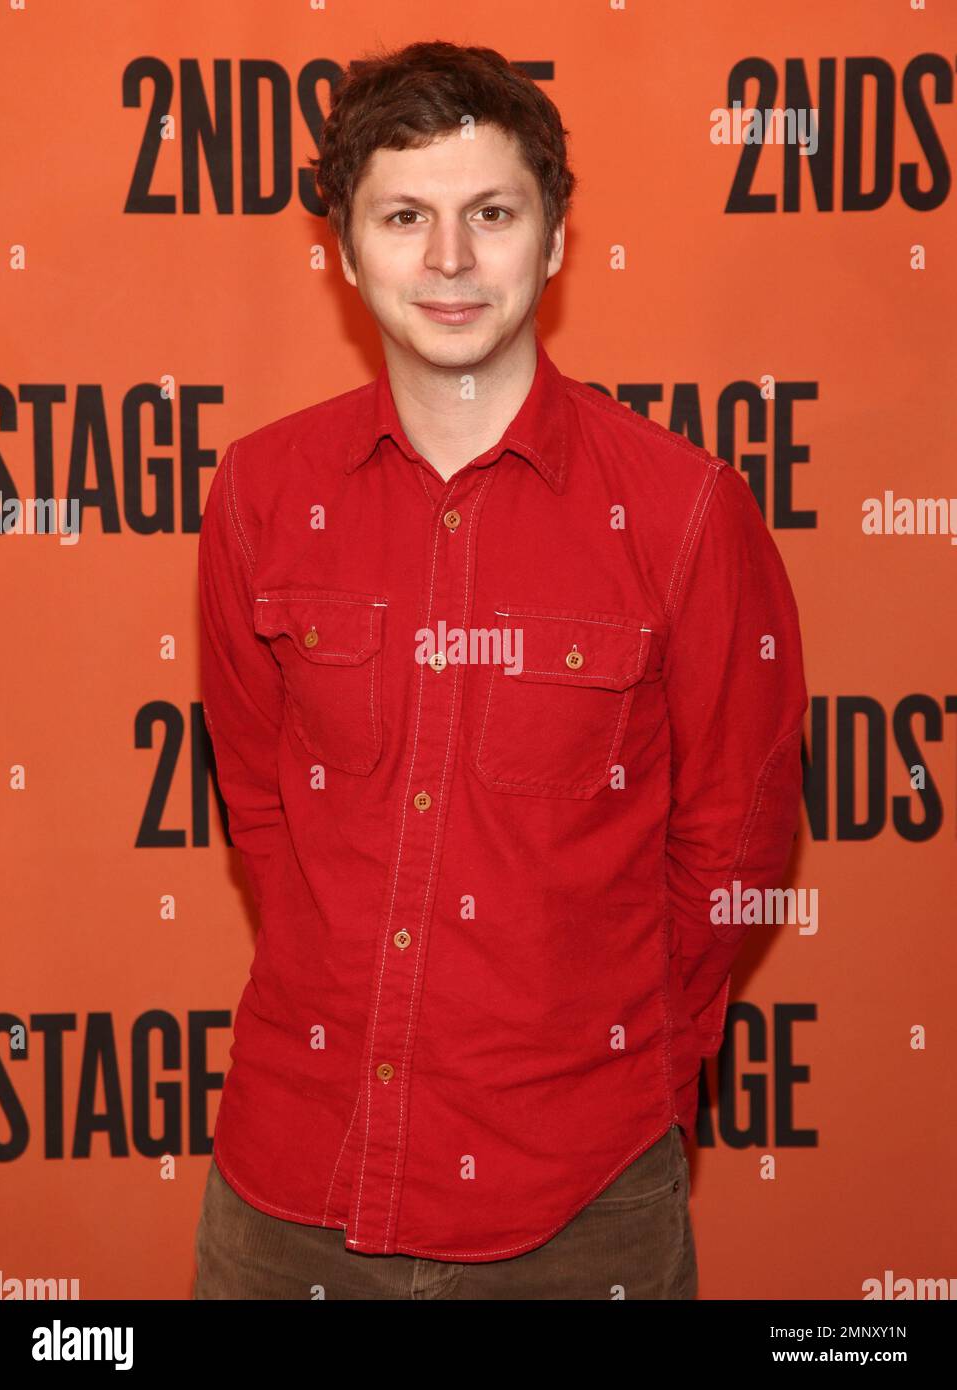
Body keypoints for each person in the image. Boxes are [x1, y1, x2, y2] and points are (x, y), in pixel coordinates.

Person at [192, 39, 808, 1300]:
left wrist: (619, 1075)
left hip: (581, 1210)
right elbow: (263, 804)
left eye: (492, 214)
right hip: (290, 1193)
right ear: (348, 251)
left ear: (556, 238)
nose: (453, 261)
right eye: (406, 217)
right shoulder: (260, 493)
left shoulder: (687, 511)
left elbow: (736, 848)